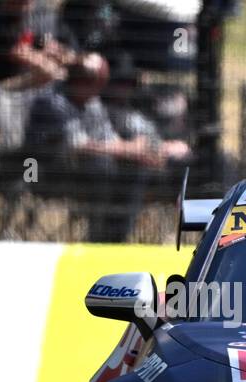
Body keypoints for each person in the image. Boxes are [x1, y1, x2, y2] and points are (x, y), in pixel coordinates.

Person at [22, 52, 172, 241]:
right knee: (102, 166)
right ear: (80, 81)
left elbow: (107, 136)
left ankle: (117, 239)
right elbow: (77, 145)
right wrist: (126, 150)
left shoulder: (91, 102)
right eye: (95, 83)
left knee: (135, 170)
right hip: (44, 173)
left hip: (88, 172)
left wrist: (136, 151)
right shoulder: (52, 102)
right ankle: (99, 237)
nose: (99, 89)